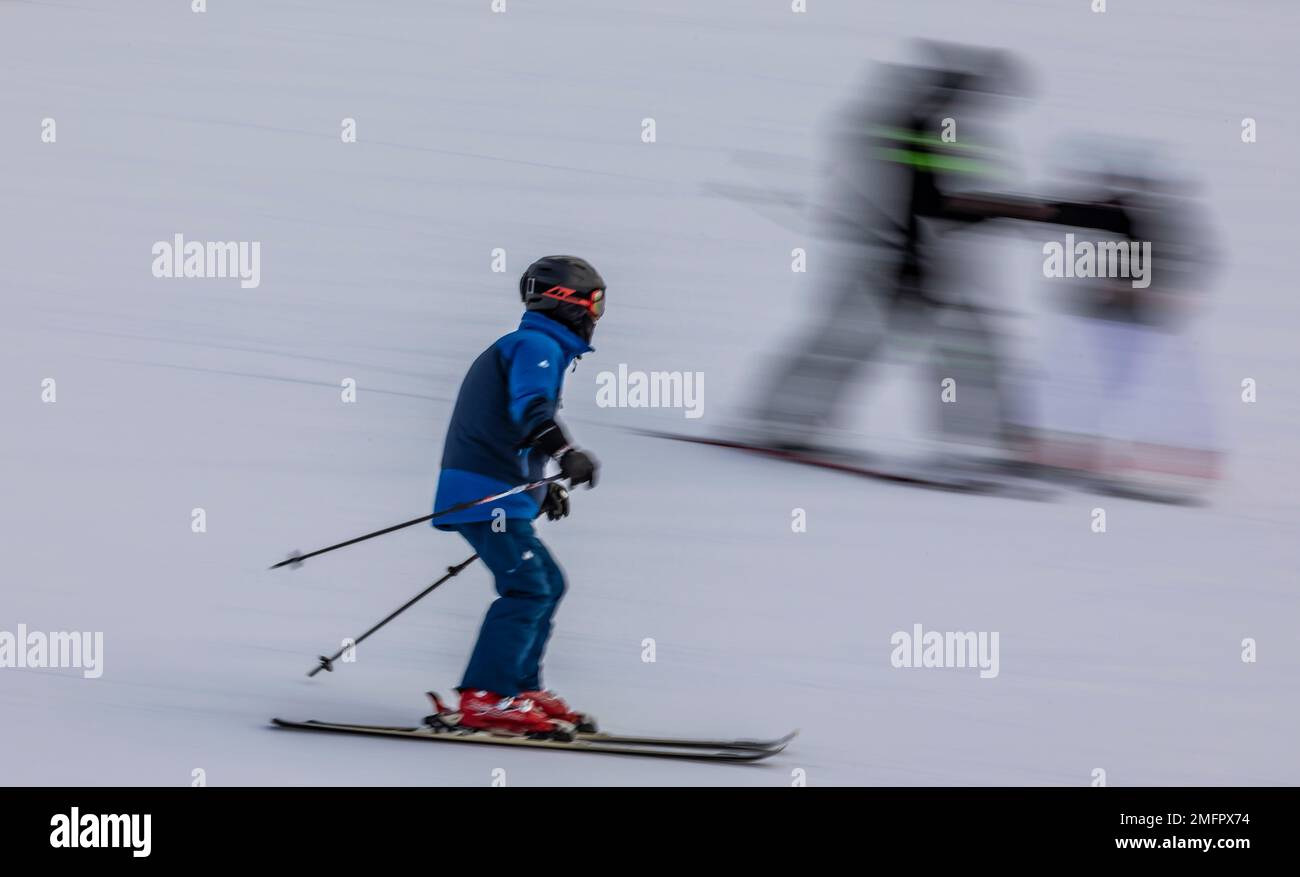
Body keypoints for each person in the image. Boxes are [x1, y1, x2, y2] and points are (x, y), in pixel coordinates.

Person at [432, 255, 605, 737]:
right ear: (566, 301)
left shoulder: (535, 345)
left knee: (545, 582)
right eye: (594, 301)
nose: (597, 313)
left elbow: (510, 427)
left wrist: (543, 483)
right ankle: (486, 698)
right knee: (529, 586)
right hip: (483, 496)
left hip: (495, 491)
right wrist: (567, 453)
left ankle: (519, 688)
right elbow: (530, 411)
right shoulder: (536, 345)